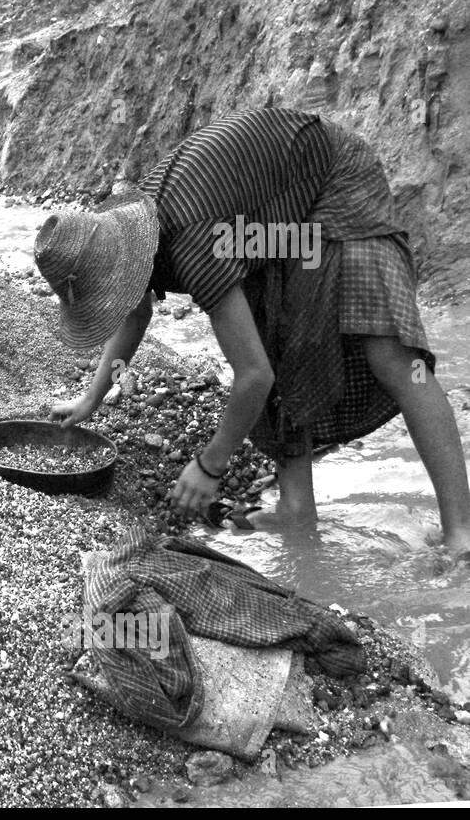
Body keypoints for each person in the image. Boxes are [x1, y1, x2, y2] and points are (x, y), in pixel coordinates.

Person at [35, 107, 470, 557]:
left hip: (336, 177)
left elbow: (253, 377)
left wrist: (210, 464)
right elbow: (135, 313)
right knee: (275, 328)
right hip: (259, 225)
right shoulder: (132, 224)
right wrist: (93, 396)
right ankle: (297, 508)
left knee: (392, 353)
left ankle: (462, 532)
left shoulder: (189, 242)